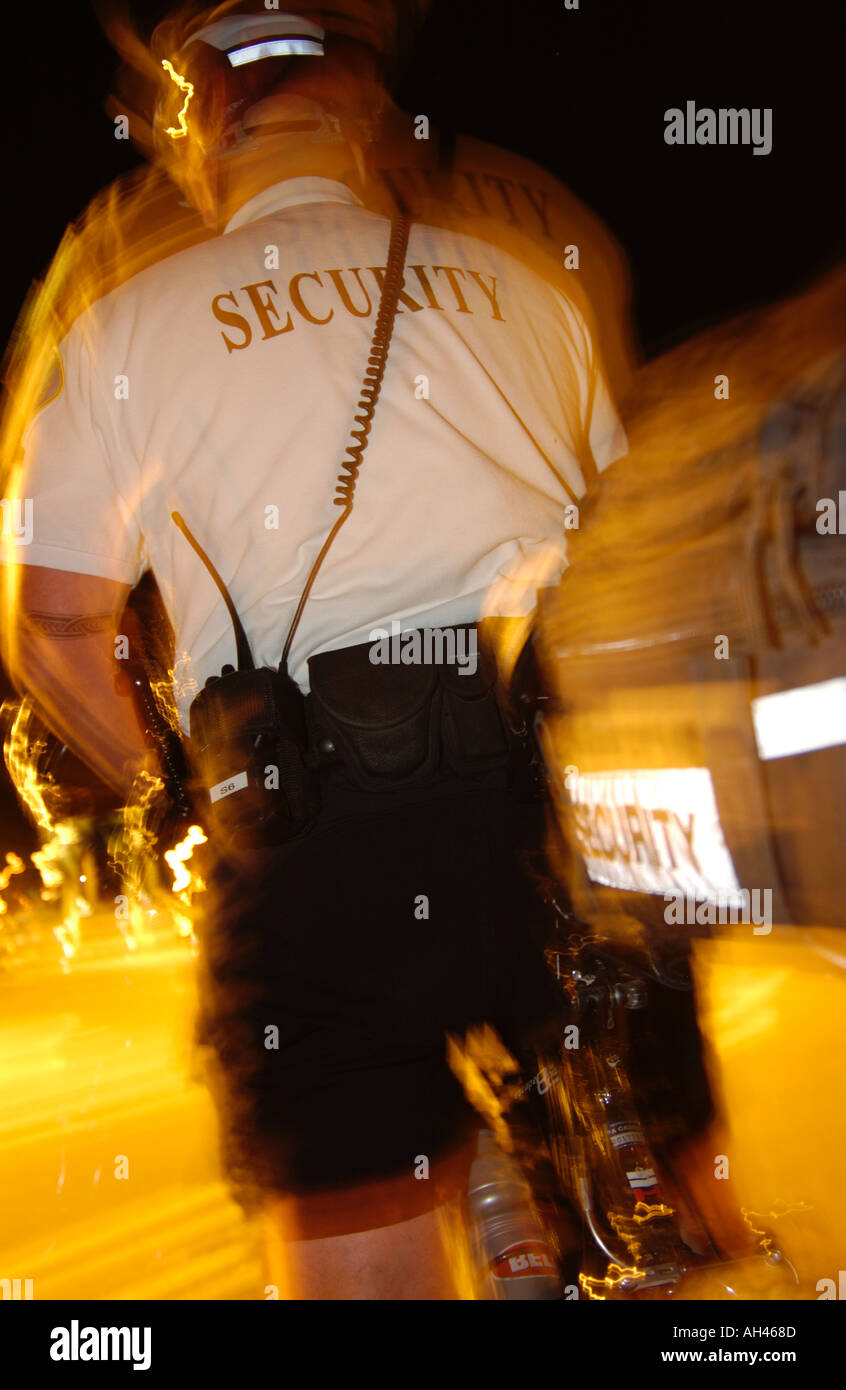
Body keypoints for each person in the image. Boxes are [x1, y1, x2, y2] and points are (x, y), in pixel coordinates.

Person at [0, 0, 628, 1298]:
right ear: (362, 117)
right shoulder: (526, 284)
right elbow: (613, 559)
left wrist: (174, 782)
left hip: (319, 851)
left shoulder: (121, 320)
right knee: (645, 1217)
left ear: (205, 132)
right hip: (552, 824)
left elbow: (53, 629)